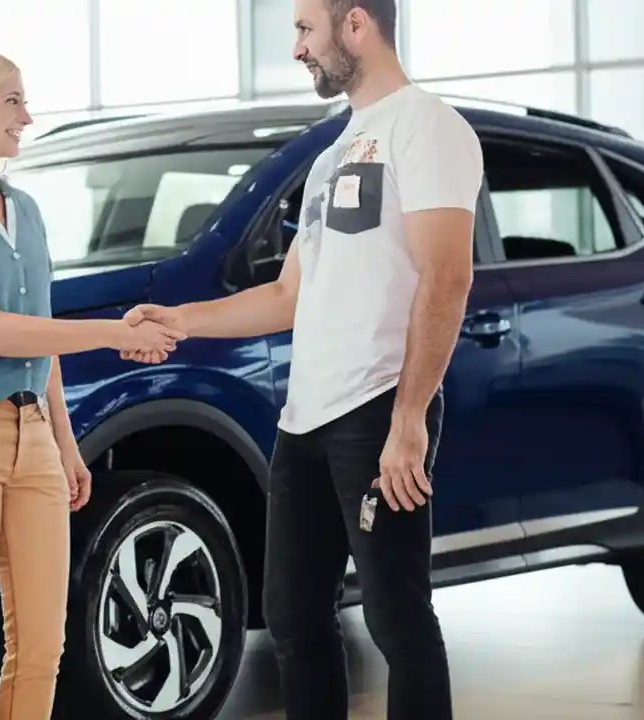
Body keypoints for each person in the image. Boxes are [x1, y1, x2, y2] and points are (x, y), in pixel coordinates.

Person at [122, 1, 482, 718]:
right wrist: (181, 320)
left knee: (396, 619)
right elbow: (291, 292)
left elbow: (448, 275)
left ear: (356, 25)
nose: (296, 50)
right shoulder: (328, 157)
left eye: (303, 30)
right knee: (291, 617)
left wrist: (409, 418)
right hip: (305, 420)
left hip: (378, 406)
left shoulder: (427, 126)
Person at [0, 49, 186, 720]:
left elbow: (39, 334)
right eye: (13, 101)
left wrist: (66, 444)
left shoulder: (25, 212)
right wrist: (115, 333)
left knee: (44, 644)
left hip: (35, 445)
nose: (28, 116)